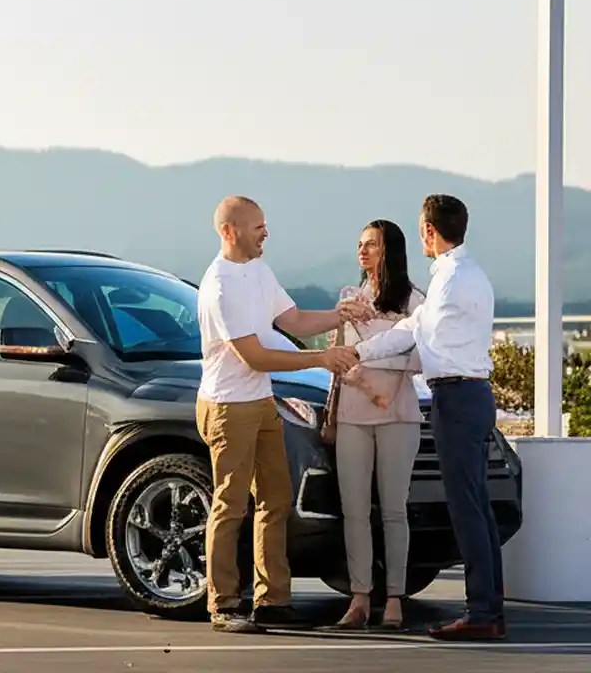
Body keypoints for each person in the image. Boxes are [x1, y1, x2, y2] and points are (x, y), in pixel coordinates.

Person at [195, 195, 367, 634]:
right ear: (230, 231)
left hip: (260, 403)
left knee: (276, 498)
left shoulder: (259, 272)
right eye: (257, 226)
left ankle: (272, 599)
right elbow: (255, 356)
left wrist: (337, 315)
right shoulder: (219, 286)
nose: (266, 232)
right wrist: (321, 359)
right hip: (227, 407)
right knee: (230, 504)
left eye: (265, 225)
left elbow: (292, 319)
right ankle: (224, 604)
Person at [348, 194, 505, 641]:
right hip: (470, 396)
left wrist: (355, 354)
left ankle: (482, 613)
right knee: (477, 508)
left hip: (457, 397)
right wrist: (360, 351)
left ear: (429, 231)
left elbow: (414, 337)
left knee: (467, 509)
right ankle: (489, 608)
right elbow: (409, 332)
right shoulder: (465, 274)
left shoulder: (451, 279)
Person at [327, 220, 426, 631]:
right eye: (359, 244)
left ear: (392, 251)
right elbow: (337, 356)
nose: (362, 251)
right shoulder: (349, 299)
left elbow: (420, 360)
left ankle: (396, 598)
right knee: (353, 509)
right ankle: (360, 597)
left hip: (399, 415)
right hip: (351, 413)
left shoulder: (415, 302)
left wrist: (365, 355)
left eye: (371, 244)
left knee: (393, 510)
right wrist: (366, 372)